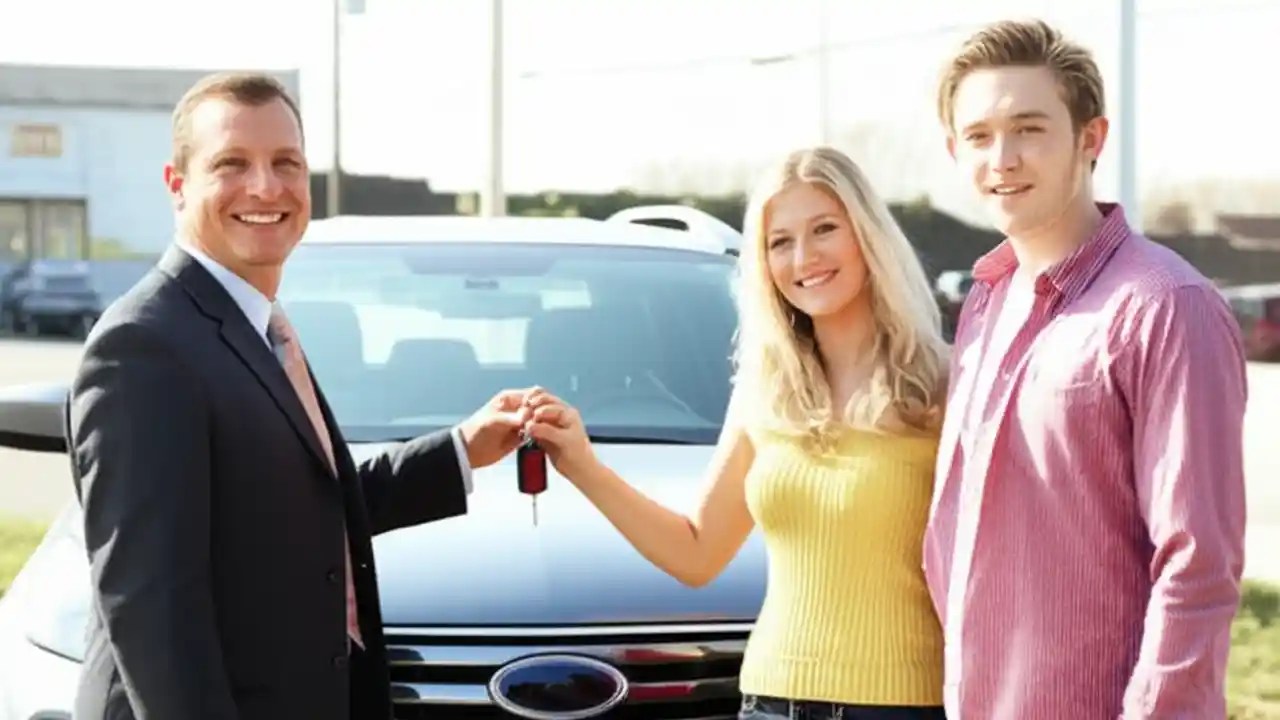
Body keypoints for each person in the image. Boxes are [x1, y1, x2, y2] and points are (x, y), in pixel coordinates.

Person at [65, 72, 532, 720]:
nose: (265, 187)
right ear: (177, 186)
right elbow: (152, 611)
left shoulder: (252, 324)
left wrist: (459, 451)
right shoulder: (143, 349)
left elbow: (295, 505)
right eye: (232, 164)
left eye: (286, 162)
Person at [523, 146, 950, 719]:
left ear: (867, 236)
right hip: (770, 701)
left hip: (902, 705)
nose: (804, 257)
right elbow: (697, 553)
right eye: (780, 242)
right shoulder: (766, 392)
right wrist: (582, 464)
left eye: (825, 229)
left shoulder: (944, 385)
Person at [924, 18, 1248, 719]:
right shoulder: (983, 302)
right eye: (979, 136)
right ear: (955, 150)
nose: (1002, 158)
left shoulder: (1166, 306)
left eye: (1030, 128)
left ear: (1090, 139)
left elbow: (1198, 563)